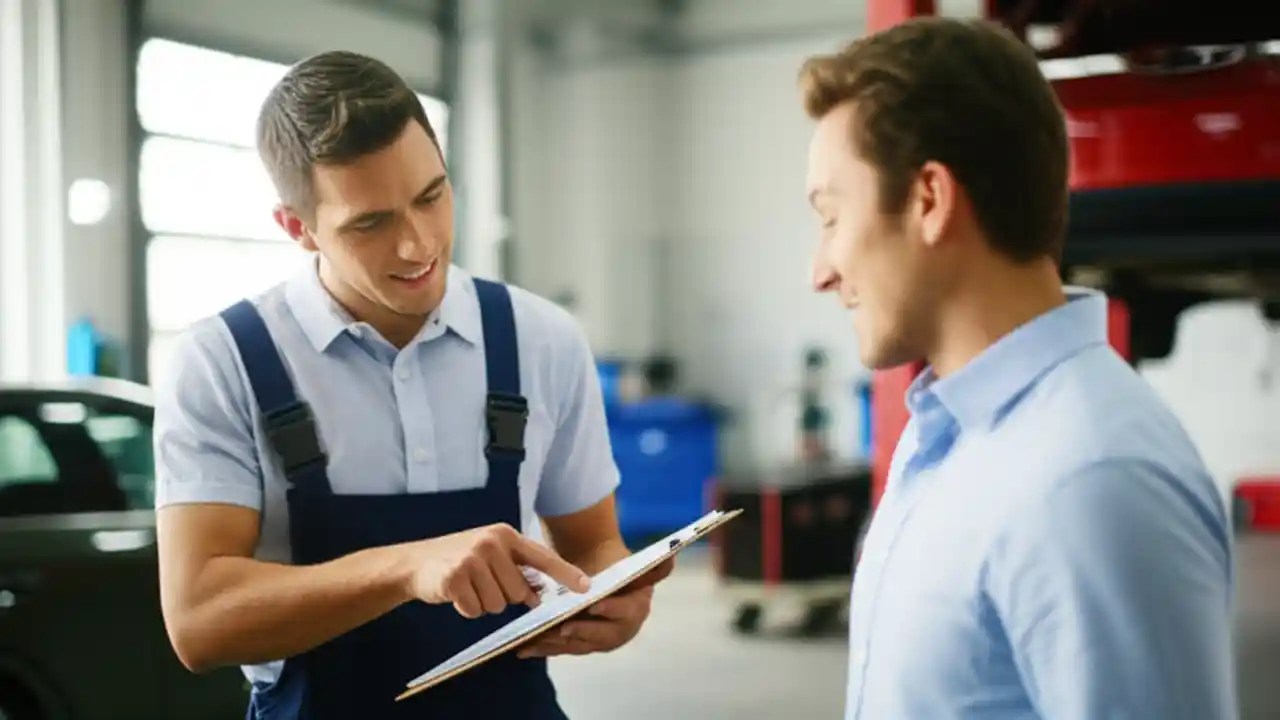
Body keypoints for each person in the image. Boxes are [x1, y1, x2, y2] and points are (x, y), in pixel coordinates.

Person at [153, 50, 670, 720]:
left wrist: (616, 597)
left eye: (431, 196)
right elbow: (199, 622)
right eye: (370, 223)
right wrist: (409, 569)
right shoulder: (222, 363)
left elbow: (593, 542)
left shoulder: (541, 339)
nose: (418, 244)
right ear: (297, 227)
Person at [799, 18, 1235, 720]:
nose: (820, 271)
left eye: (830, 217)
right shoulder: (947, 433)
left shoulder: (1091, 477)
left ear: (929, 200)